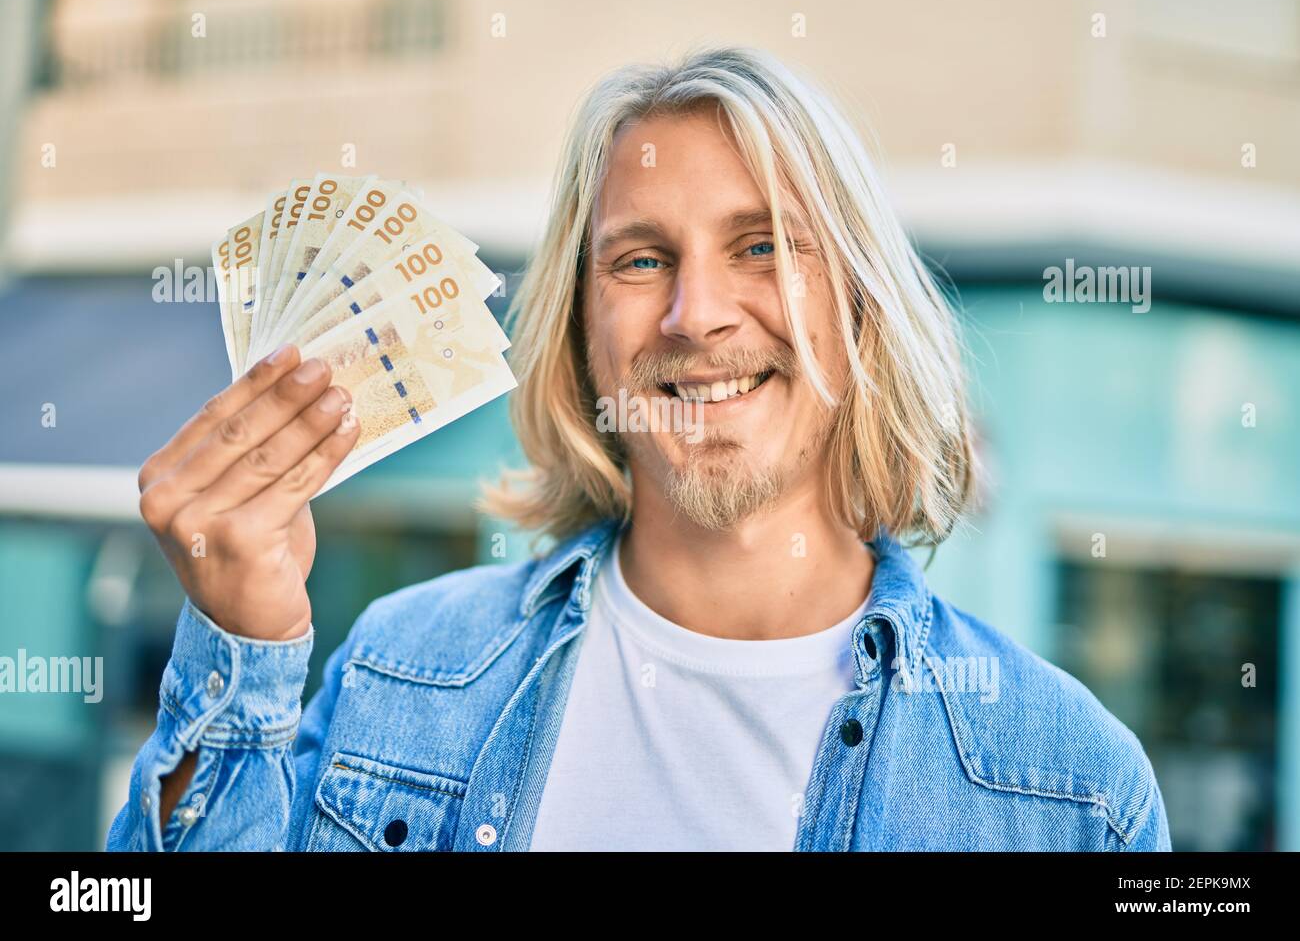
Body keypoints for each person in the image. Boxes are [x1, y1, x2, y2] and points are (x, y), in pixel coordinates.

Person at [108, 46, 1170, 851]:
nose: (694, 314)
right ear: (580, 327)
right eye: (640, 259)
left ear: (860, 306)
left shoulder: (1070, 785)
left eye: (760, 245)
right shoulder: (401, 666)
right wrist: (239, 645)